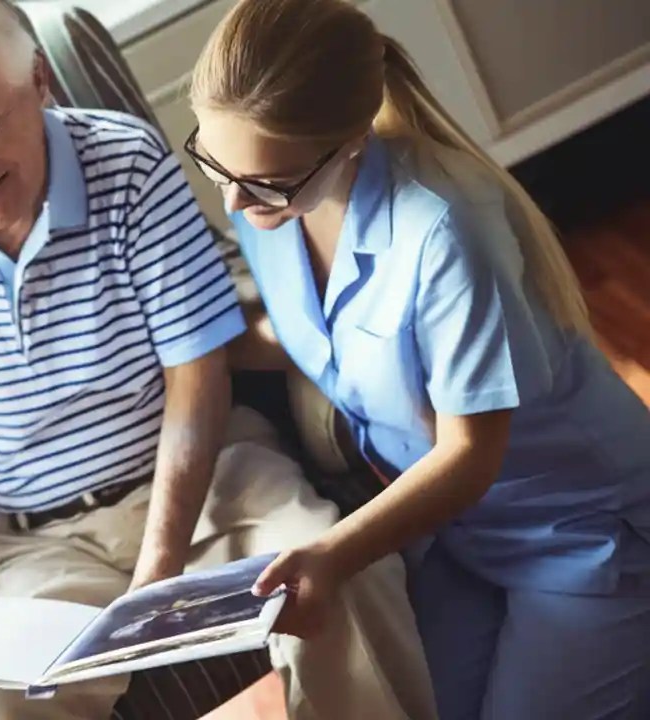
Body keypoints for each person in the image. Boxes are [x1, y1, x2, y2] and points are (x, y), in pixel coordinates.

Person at [0, 1, 437, 718]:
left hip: (214, 487)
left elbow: (196, 374)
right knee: (11, 706)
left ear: (40, 81)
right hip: (38, 541)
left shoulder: (126, 161)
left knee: (341, 581)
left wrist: (159, 569)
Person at [184, 0, 650, 717]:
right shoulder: (272, 199)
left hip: (580, 533)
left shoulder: (446, 229)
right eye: (215, 165)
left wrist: (333, 555)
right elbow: (325, 335)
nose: (234, 204)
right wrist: (183, 351)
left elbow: (469, 454)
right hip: (454, 537)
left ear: (350, 142)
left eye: (263, 183)